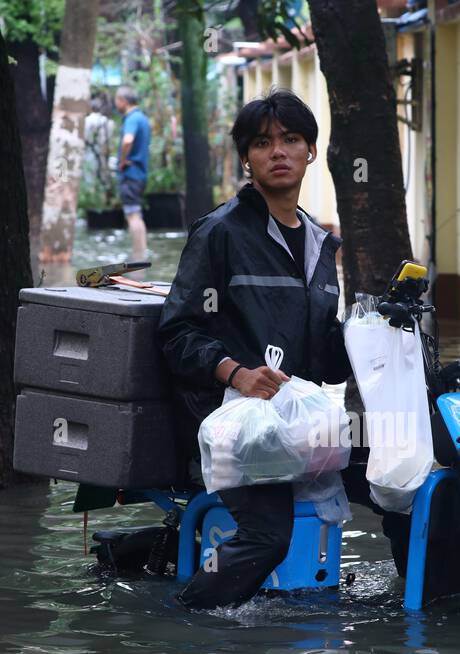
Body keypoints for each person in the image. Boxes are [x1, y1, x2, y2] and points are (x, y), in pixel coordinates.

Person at [158, 88, 409, 611]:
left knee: (402, 481)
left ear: (310, 151)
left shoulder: (319, 245)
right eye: (262, 142)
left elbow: (320, 361)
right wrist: (236, 373)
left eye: (291, 139)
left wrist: (375, 335)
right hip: (234, 421)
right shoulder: (220, 232)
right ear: (246, 158)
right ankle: (186, 623)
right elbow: (177, 333)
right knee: (267, 538)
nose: (278, 151)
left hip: (297, 418)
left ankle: (416, 611)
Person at [114, 86, 150, 261]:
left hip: (131, 174)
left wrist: (121, 161)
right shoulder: (142, 118)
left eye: (116, 100)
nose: (115, 104)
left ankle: (138, 255)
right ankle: (141, 251)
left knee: (132, 214)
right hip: (140, 174)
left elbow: (128, 140)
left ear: (123, 101)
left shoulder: (132, 119)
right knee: (136, 213)